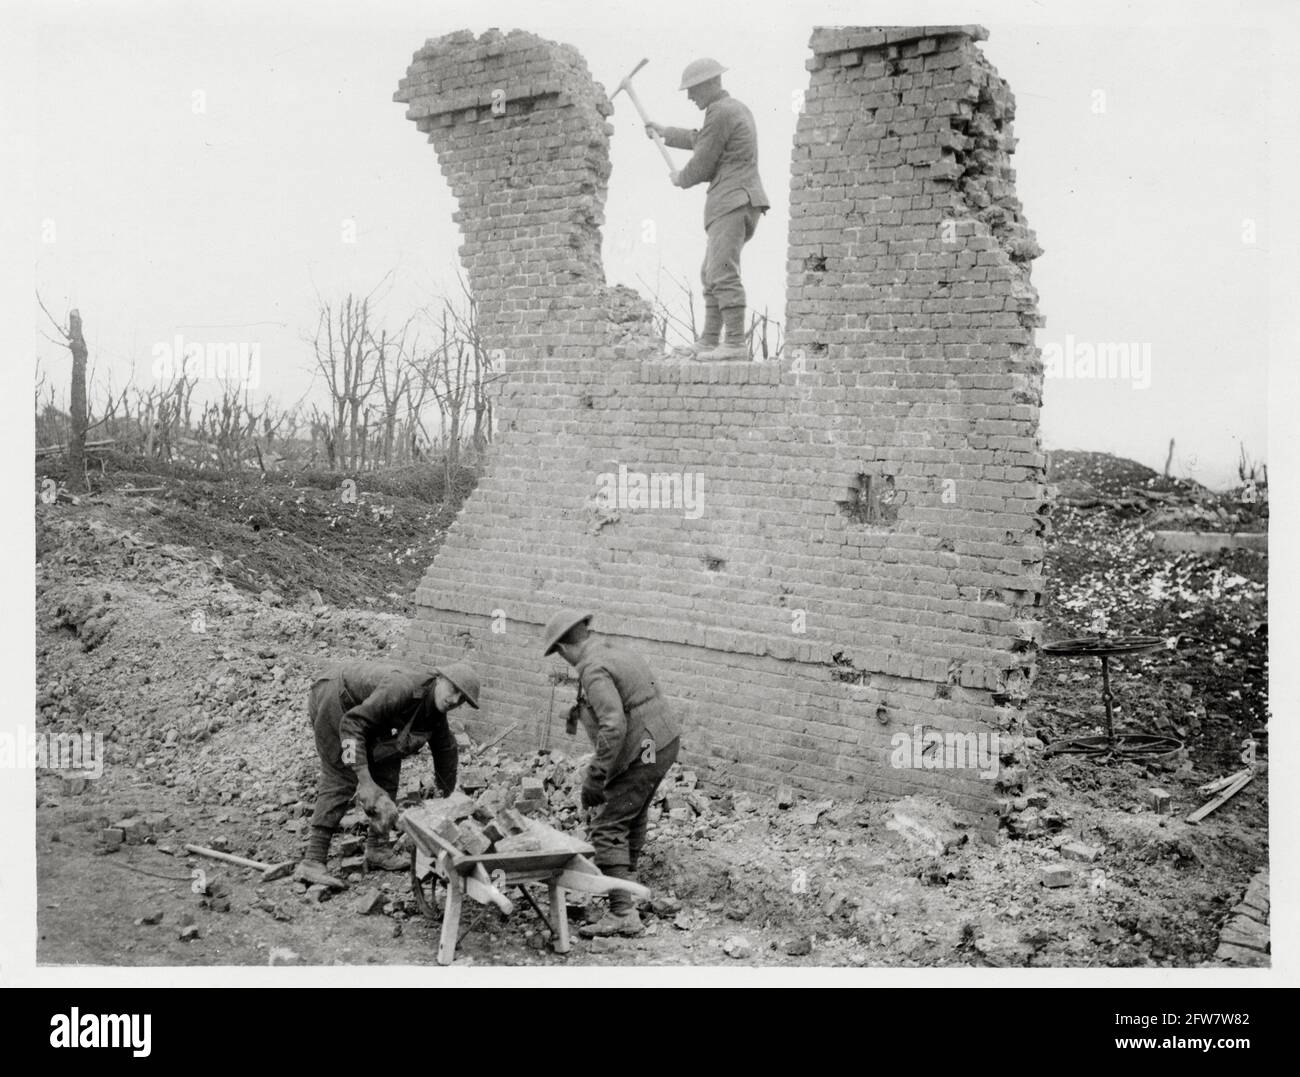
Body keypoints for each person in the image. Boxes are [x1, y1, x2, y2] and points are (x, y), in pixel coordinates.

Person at [542, 609, 681, 936]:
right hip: (663, 741)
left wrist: (596, 776)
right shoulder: (613, 651)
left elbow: (614, 725)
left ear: (563, 649)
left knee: (607, 825)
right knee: (630, 813)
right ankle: (628, 892)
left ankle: (623, 911)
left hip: (645, 747)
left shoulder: (592, 668)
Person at [295, 659, 479, 884]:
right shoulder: (402, 688)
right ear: (440, 679)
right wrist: (364, 780)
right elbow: (352, 725)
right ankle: (313, 860)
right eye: (454, 691)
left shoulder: (435, 713)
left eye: (462, 700)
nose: (454, 700)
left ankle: (378, 849)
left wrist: (449, 801)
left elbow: (445, 752)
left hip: (368, 718)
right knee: (342, 774)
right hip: (336, 700)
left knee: (388, 770)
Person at [646, 57, 770, 359]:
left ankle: (735, 344)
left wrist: (682, 178)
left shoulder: (720, 111)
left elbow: (703, 162)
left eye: (693, 89)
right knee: (710, 271)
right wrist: (666, 132)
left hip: (732, 201)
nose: (689, 96)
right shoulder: (733, 109)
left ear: (711, 84)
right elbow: (704, 139)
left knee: (722, 272)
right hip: (741, 201)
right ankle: (710, 341)